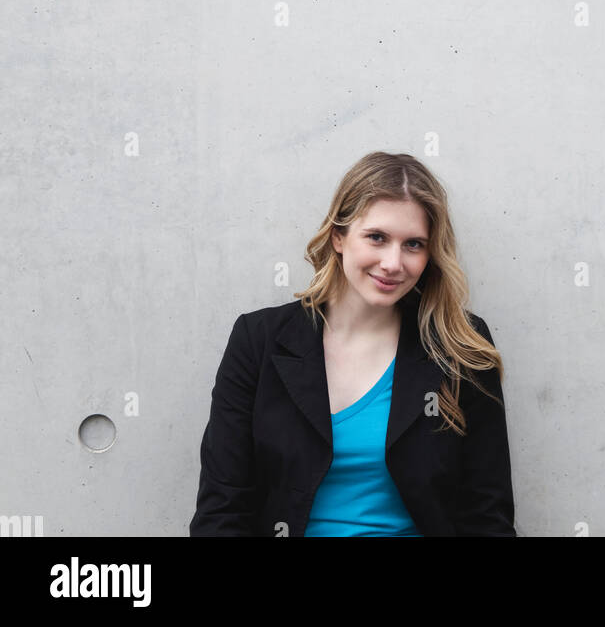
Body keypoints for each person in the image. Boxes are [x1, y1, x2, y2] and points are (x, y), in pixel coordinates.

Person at [189, 151, 517, 537]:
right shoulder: (258, 341)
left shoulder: (460, 346)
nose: (394, 263)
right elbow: (222, 510)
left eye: (413, 244)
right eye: (377, 238)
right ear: (338, 236)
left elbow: (487, 516)